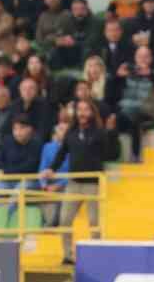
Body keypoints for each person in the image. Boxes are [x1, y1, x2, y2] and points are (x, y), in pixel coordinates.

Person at [40, 97, 108, 263]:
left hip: (92, 183)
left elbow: (110, 152)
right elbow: (62, 153)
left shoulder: (99, 132)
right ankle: (68, 255)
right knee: (64, 220)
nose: (82, 113)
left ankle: (97, 255)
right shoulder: (71, 132)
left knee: (94, 221)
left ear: (92, 112)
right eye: (79, 110)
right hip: (74, 183)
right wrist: (52, 169)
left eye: (86, 110)